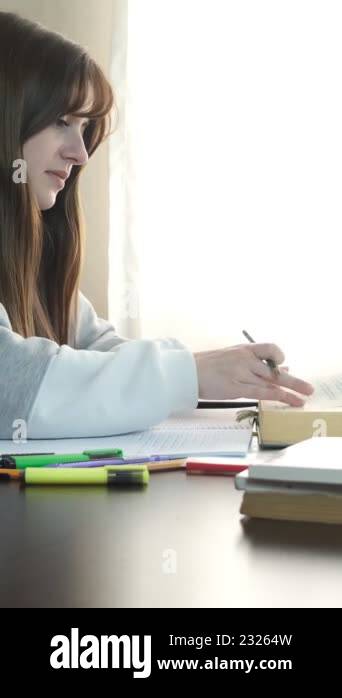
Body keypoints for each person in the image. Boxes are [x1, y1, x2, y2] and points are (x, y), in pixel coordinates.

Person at [0, 11, 314, 440]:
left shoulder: (31, 258)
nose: (81, 153)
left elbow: (97, 350)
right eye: (62, 121)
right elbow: (18, 390)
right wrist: (188, 373)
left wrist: (214, 368)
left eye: (84, 127)